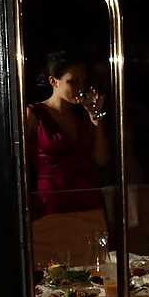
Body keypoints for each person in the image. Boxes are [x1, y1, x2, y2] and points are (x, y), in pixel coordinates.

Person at [26, 50, 109, 220]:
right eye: (73, 82)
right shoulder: (35, 114)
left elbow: (101, 159)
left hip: (88, 197)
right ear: (53, 81)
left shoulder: (83, 114)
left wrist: (95, 117)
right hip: (53, 200)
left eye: (84, 81)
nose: (81, 88)